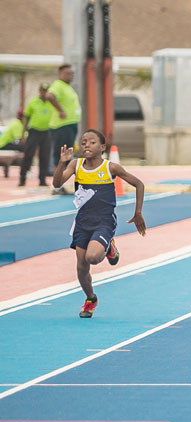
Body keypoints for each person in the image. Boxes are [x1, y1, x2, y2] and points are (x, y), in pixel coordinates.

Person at [51, 129, 146, 318]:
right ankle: (91, 299)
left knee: (93, 257)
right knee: (81, 266)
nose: (86, 145)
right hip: (83, 222)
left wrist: (137, 212)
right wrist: (62, 163)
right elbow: (57, 184)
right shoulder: (76, 165)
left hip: (104, 221)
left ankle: (108, 247)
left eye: (92, 142)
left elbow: (139, 184)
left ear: (102, 147)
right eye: (83, 142)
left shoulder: (110, 168)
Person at [46, 64, 81, 195]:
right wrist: (61, 111)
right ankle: (57, 187)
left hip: (70, 125)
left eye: (72, 73)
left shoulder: (68, 87)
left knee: (67, 156)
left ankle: (60, 185)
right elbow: (50, 96)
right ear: (60, 74)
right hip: (62, 126)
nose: (71, 75)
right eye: (68, 73)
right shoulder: (58, 85)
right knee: (61, 156)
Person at [20, 88, 56, 187]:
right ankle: (22, 179)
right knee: (28, 154)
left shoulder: (52, 103)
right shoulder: (33, 102)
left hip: (47, 132)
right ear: (40, 91)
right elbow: (26, 117)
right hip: (34, 131)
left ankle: (42, 180)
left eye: (46, 91)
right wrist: (23, 133)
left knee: (45, 156)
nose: (44, 93)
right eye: (42, 91)